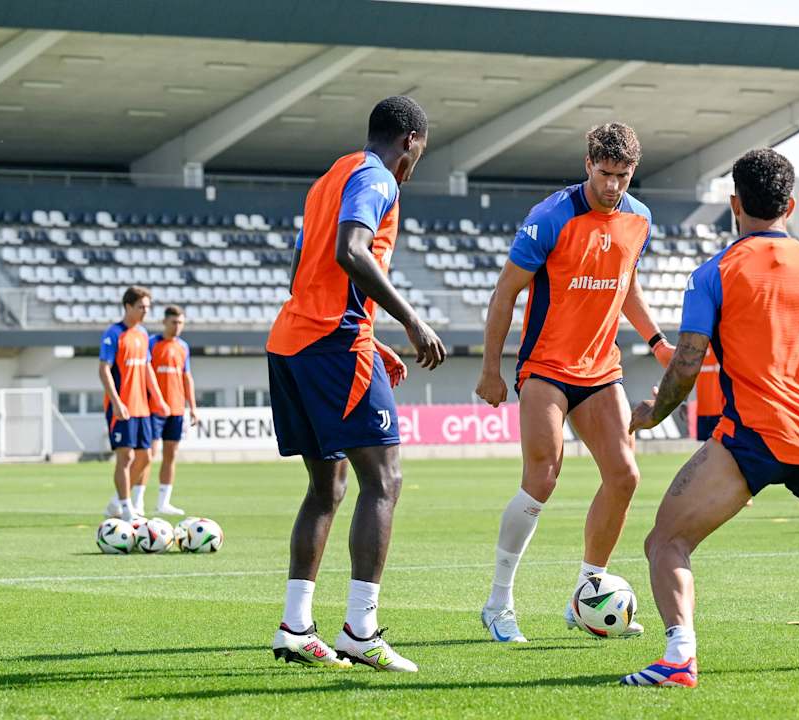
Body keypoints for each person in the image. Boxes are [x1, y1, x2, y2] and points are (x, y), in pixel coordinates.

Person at [621, 148, 799, 687]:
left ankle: (679, 655)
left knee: (665, 542)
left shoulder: (714, 273)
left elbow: (688, 362)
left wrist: (654, 413)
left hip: (749, 441)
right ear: (789, 204)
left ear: (733, 204)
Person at [475, 122, 673, 643]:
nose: (613, 186)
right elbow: (504, 294)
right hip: (544, 366)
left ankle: (586, 596)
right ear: (588, 165)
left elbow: (626, 282)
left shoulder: (640, 219)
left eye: (623, 176)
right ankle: (498, 604)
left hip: (601, 368)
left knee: (625, 476)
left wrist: (657, 342)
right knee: (543, 477)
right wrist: (490, 369)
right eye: (605, 174)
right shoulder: (550, 218)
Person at [266, 96, 446, 671]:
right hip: (332, 343)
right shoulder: (378, 178)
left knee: (329, 486)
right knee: (385, 479)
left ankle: (296, 628)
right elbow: (350, 252)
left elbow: (308, 268)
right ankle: (360, 630)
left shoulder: (332, 176)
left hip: (293, 339)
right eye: (420, 151)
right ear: (411, 142)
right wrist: (411, 321)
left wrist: (373, 336)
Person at [99, 286, 170, 521]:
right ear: (128, 307)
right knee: (126, 457)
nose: (145, 312)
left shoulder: (142, 335)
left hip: (142, 407)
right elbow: (104, 370)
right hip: (121, 407)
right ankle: (126, 507)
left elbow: (147, 368)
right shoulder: (114, 333)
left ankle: (116, 501)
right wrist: (116, 402)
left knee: (146, 456)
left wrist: (158, 397)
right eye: (141, 307)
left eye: (147, 307)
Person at [143, 305, 198, 516]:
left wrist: (192, 407)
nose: (177, 327)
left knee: (170, 455)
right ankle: (136, 500)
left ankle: (163, 503)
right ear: (164, 322)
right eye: (174, 322)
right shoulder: (152, 344)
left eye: (181, 323)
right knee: (149, 454)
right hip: (154, 409)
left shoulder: (183, 347)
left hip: (176, 409)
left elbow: (186, 378)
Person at [693, 348, 722, 440]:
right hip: (702, 410)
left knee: (724, 448)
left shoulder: (723, 344)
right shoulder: (696, 346)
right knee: (705, 449)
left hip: (722, 411)